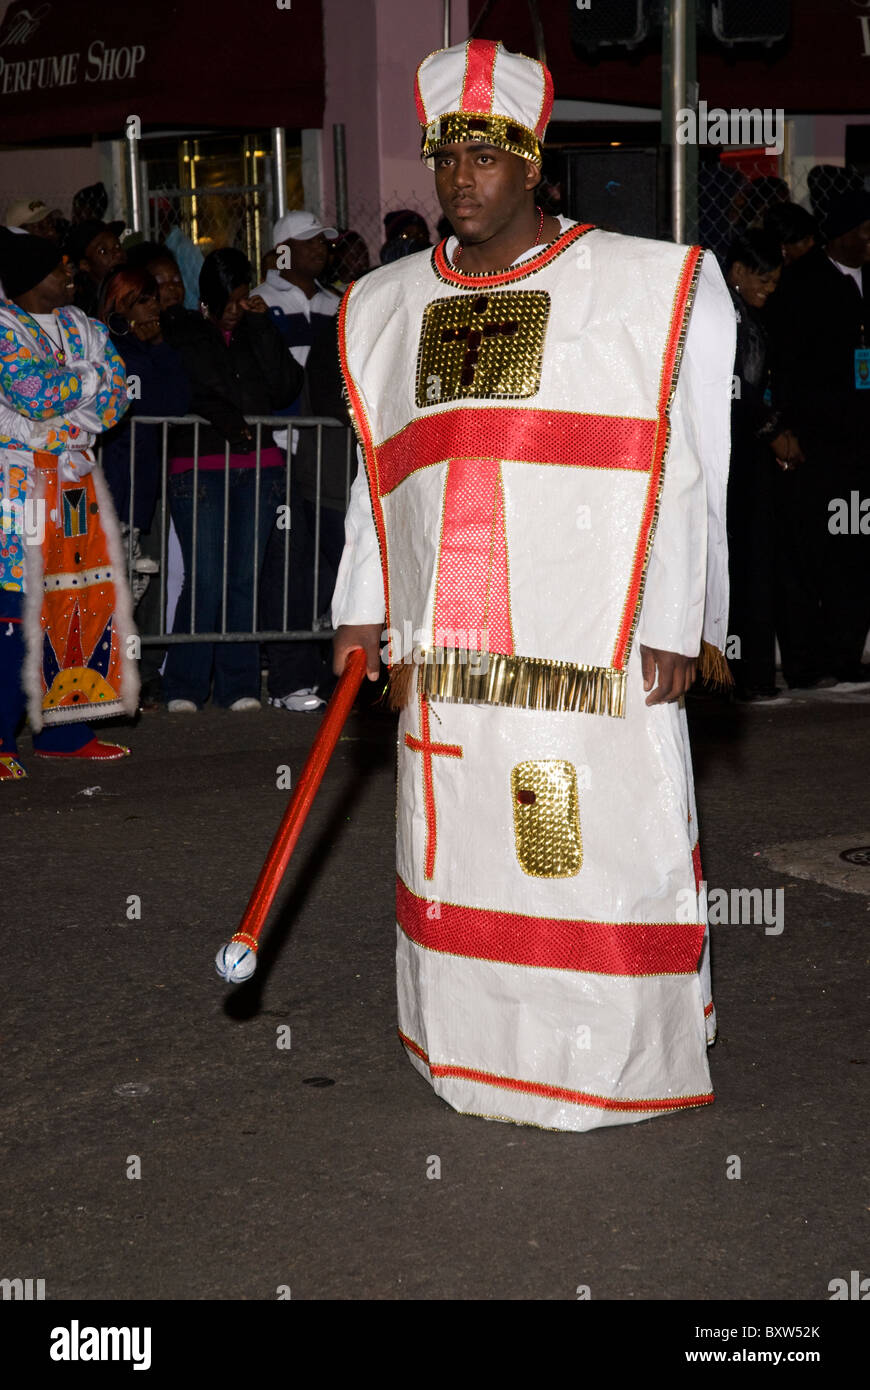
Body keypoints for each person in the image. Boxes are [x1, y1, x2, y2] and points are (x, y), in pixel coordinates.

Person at [331, 39, 736, 1131]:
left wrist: (677, 618)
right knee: (457, 839)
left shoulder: (647, 287)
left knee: (581, 844)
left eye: (486, 156)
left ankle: (603, 1056)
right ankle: (471, 1046)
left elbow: (685, 470)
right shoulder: (388, 304)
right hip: (447, 651)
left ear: (535, 161)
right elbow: (387, 475)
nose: (461, 179)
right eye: (445, 157)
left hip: (588, 645)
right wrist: (364, 609)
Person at [0, 231, 137, 781]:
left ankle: (66, 732)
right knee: (15, 610)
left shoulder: (88, 325)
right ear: (28, 279)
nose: (71, 273)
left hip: (75, 486)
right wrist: (87, 379)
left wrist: (58, 411)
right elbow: (31, 391)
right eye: (57, 268)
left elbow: (117, 396)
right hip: (17, 488)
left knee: (77, 602)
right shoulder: (5, 329)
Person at [160, 247, 303, 711]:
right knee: (205, 579)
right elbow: (194, 390)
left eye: (246, 298)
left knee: (245, 578)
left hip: (258, 467)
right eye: (234, 300)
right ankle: (184, 685)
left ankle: (239, 684)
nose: (240, 307)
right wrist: (229, 420)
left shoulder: (253, 328)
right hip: (198, 468)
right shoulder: (183, 329)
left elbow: (284, 387)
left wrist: (261, 326)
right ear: (212, 297)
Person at [767, 188, 870, 685]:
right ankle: (807, 664)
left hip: (861, 446)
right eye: (867, 231)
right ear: (844, 233)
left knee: (857, 550)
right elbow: (782, 361)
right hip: (817, 444)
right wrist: (783, 427)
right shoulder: (803, 283)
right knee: (810, 554)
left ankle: (844, 656)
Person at [252, 210, 341, 712]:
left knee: (330, 566)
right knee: (288, 569)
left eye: (324, 242)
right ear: (283, 250)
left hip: (326, 457)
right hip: (279, 452)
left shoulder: (336, 303)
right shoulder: (261, 302)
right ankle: (288, 680)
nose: (321, 250)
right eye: (311, 242)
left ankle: (329, 675)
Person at [724, 231, 802, 700]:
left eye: (776, 281)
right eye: (765, 279)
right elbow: (735, 389)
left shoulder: (747, 316)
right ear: (738, 272)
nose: (770, 289)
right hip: (735, 455)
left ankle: (749, 672)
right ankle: (736, 674)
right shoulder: (726, 318)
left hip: (747, 451)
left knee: (753, 558)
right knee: (739, 558)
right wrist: (773, 431)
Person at [67, 220, 125, 317]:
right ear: (85, 265)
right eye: (103, 251)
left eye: (117, 246)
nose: (118, 254)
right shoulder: (83, 310)